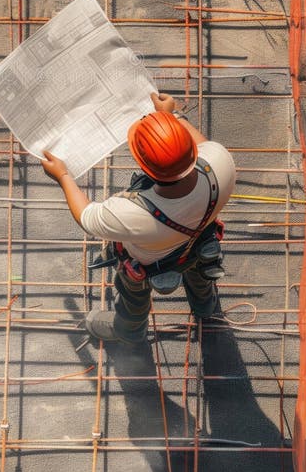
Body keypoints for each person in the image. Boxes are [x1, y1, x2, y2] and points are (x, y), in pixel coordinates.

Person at [41, 92, 236, 345]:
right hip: (200, 245)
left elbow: (87, 217)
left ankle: (130, 331)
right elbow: (201, 146)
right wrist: (171, 117)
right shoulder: (221, 163)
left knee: (133, 298)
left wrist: (63, 175)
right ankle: (205, 306)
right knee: (201, 278)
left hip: (148, 265)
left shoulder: (132, 214)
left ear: (145, 167)